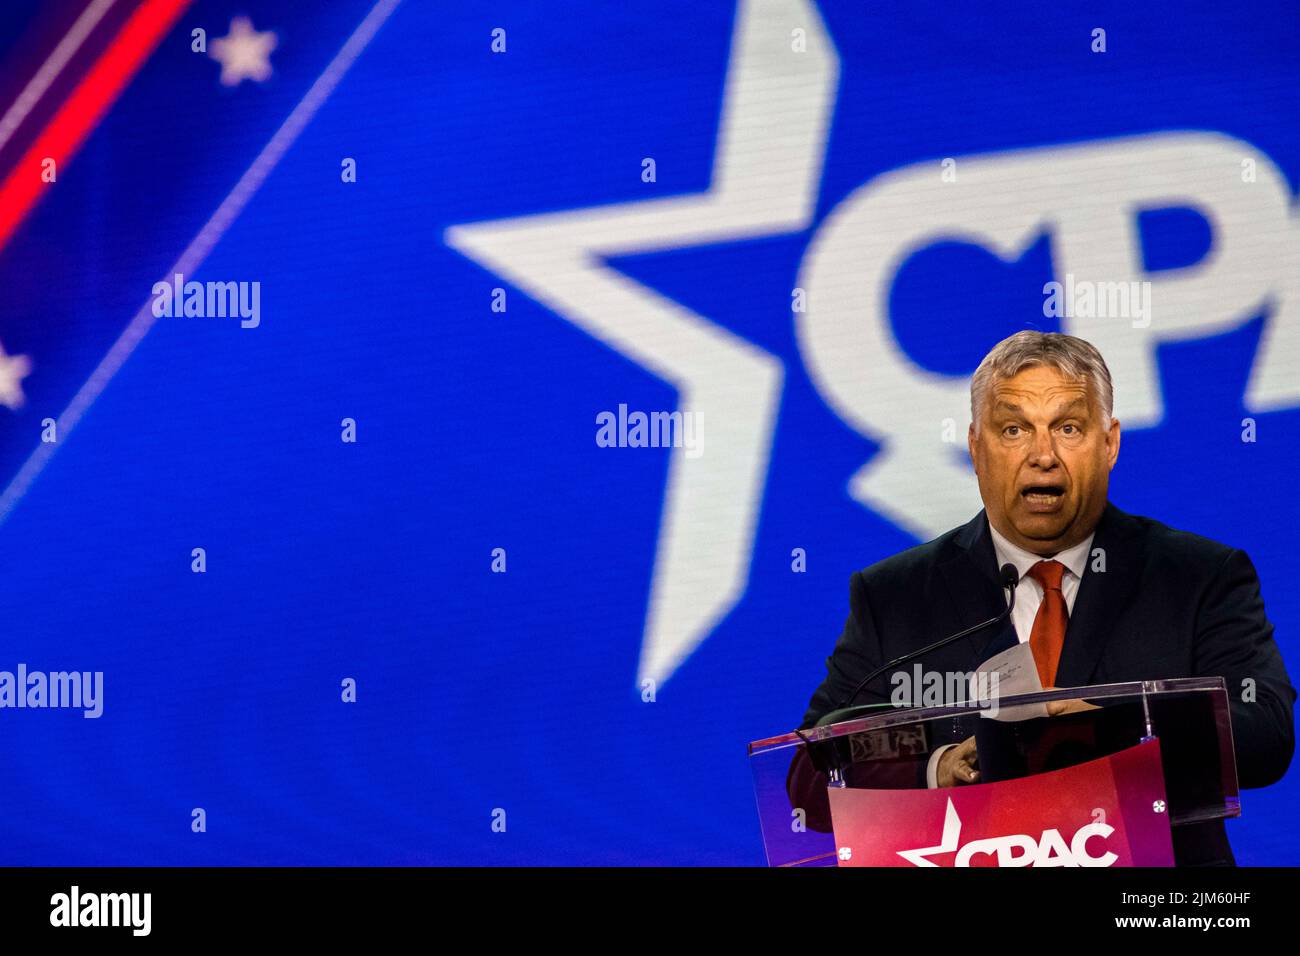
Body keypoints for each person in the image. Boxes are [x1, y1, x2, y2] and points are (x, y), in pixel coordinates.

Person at [789, 330, 1294, 865]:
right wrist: (939, 768)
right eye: (1013, 429)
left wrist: (1114, 732)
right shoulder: (896, 595)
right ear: (976, 448)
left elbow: (1265, 736)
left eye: (1068, 427)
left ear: (1110, 443)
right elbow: (809, 777)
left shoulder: (1198, 576)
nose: (1043, 455)